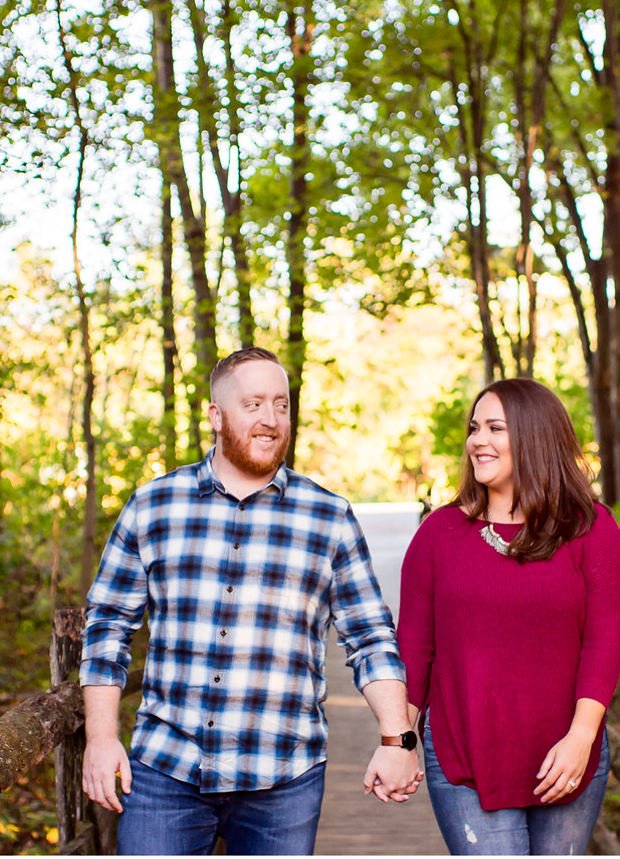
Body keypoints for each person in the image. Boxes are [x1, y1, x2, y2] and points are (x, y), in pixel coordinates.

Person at [79, 346, 424, 855]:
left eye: (281, 405)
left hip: (284, 777)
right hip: (167, 771)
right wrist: (102, 738)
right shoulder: (153, 506)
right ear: (216, 416)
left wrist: (398, 740)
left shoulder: (328, 517)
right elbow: (107, 625)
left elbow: (370, 637)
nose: (270, 419)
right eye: (254, 404)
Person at [398, 378, 620, 855]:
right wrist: (398, 745)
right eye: (474, 428)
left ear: (534, 436)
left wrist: (581, 738)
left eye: (495, 428)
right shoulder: (440, 533)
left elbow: (605, 643)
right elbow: (415, 649)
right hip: (464, 754)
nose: (477, 440)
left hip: (566, 755)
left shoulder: (592, 529)